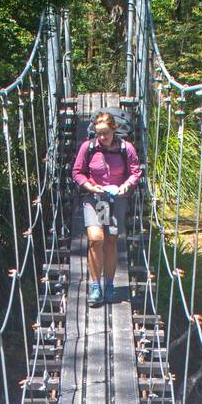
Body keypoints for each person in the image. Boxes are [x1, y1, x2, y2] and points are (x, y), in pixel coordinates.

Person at [71, 111, 142, 306]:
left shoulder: (126, 149)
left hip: (117, 199)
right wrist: (90, 186)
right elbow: (77, 172)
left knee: (111, 241)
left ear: (114, 130)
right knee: (96, 239)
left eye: (105, 133)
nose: (102, 137)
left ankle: (109, 285)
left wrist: (125, 186)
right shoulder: (89, 147)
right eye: (98, 133)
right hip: (94, 199)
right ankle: (95, 286)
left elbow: (136, 172)